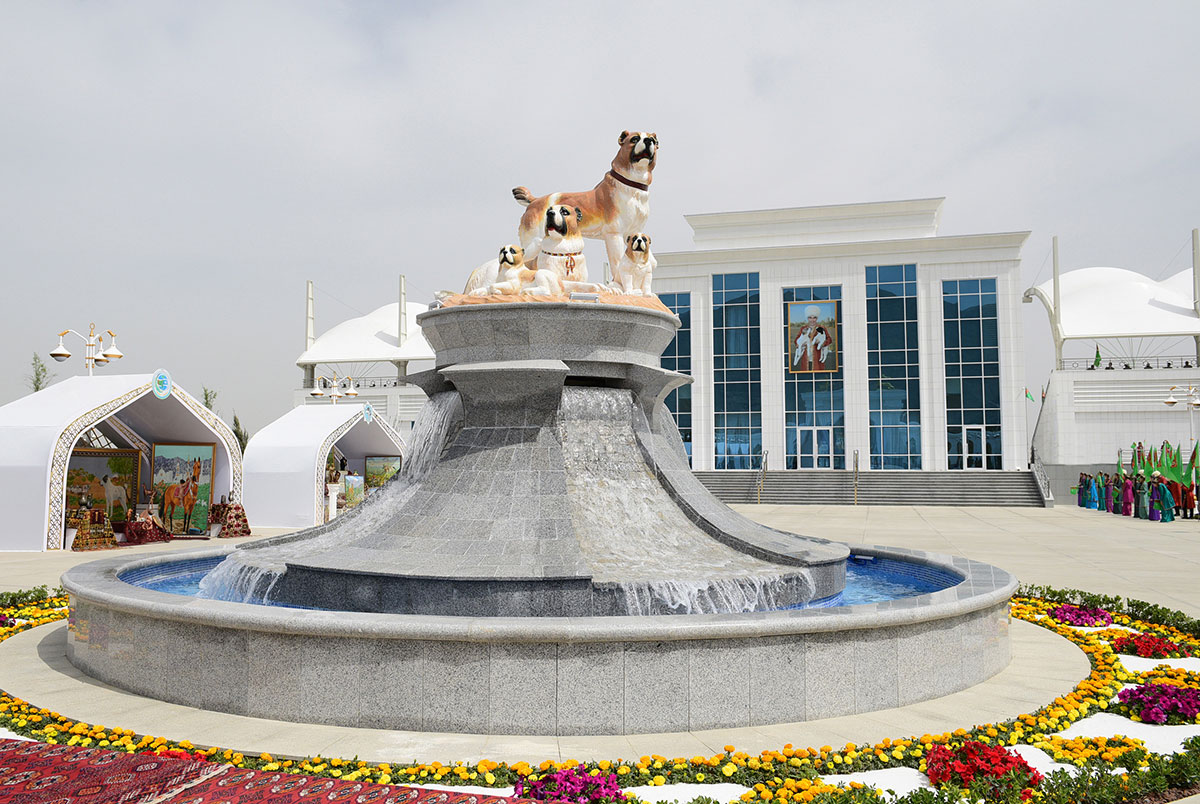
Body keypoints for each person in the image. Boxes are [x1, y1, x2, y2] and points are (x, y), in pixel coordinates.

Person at [792, 305, 832, 372]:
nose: (812, 320)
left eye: (814, 318)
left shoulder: (822, 328)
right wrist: (800, 343)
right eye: (810, 317)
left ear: (817, 318)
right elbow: (796, 340)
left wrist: (821, 343)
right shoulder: (803, 328)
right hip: (805, 358)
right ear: (807, 318)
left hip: (817, 357)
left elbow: (829, 339)